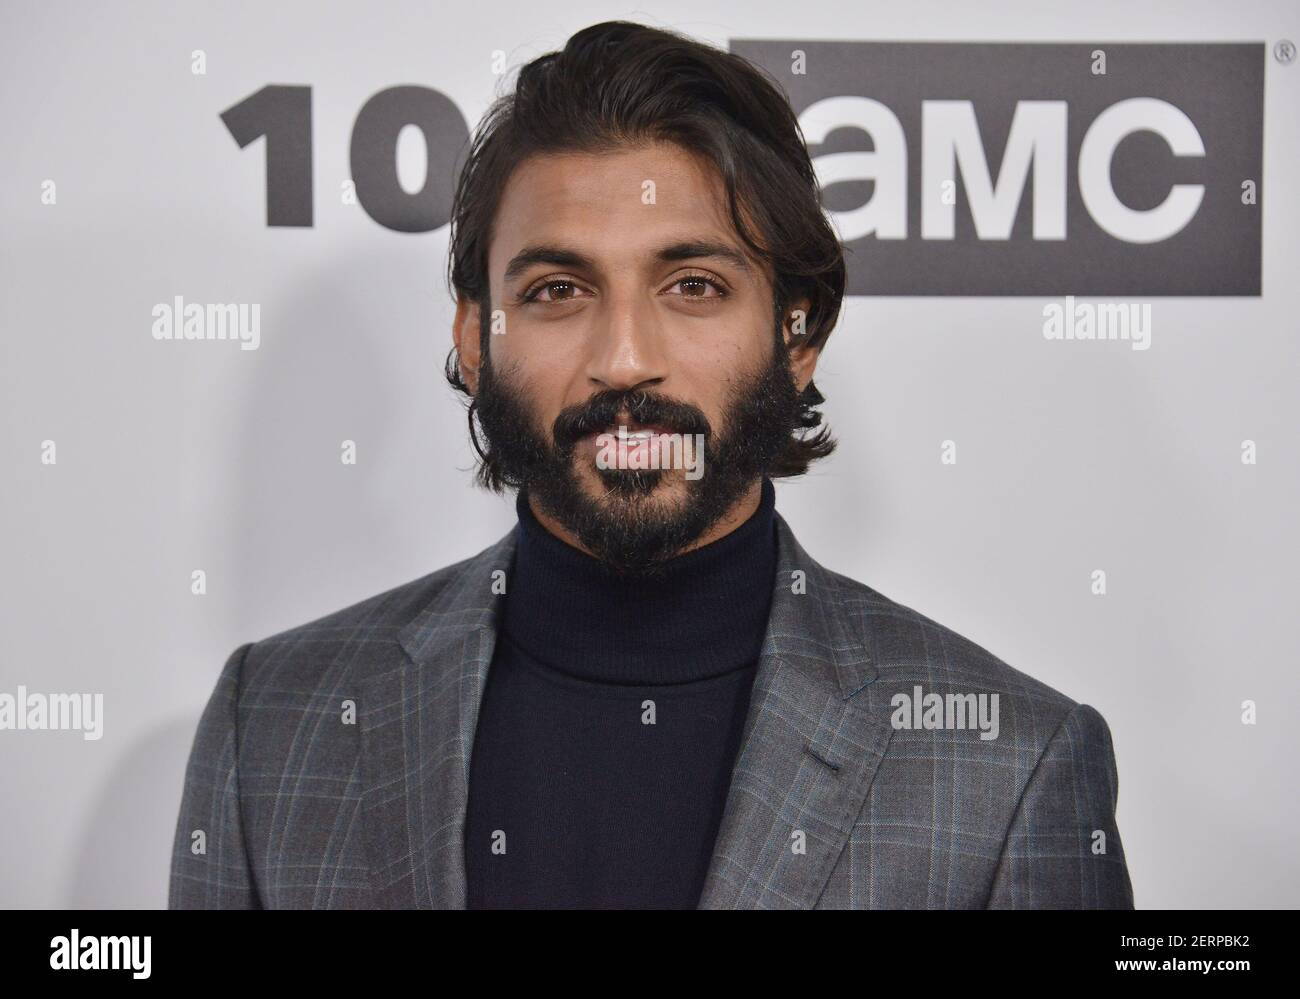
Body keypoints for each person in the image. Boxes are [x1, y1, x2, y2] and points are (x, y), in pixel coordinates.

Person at [169, 20, 1134, 909]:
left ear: (798, 335)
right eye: (556, 288)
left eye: (694, 286)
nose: (625, 358)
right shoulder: (273, 726)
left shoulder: (1008, 768)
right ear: (475, 335)